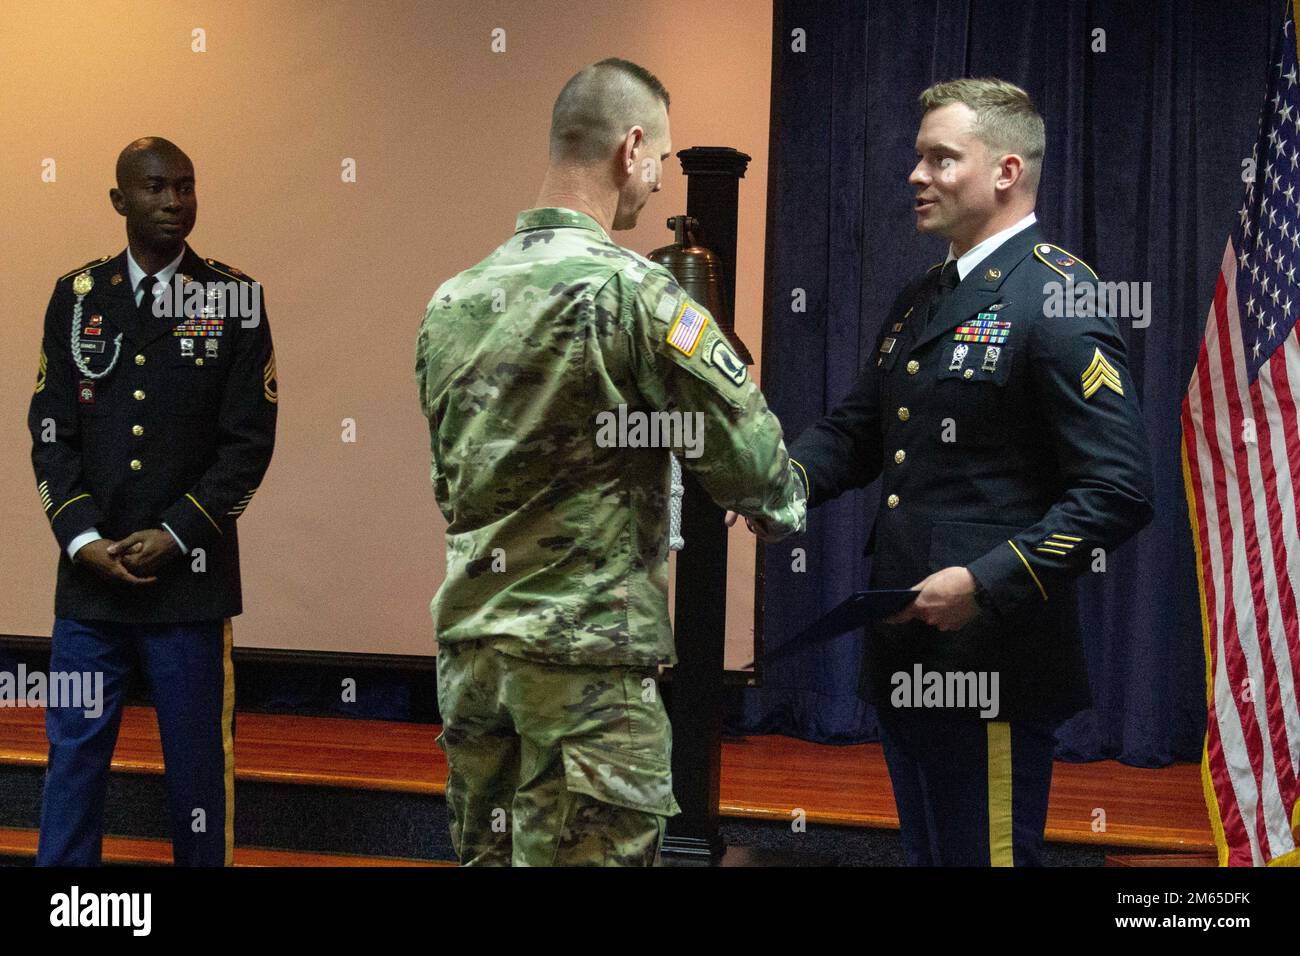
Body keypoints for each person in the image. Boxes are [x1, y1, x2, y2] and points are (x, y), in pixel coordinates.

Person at [734, 78, 1154, 865]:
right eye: (917, 157)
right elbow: (860, 431)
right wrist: (773, 483)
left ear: (1005, 170)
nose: (915, 175)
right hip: (904, 645)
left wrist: (985, 582)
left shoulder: (1057, 297)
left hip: (990, 656)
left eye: (940, 158)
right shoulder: (925, 296)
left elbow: (1120, 489)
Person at [416, 58, 805, 866]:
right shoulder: (638, 294)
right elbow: (752, 457)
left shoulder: (451, 302)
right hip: (586, 673)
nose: (659, 186)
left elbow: (451, 481)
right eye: (659, 161)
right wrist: (781, 506)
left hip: (475, 661)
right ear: (632, 148)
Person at [28, 137, 278, 866]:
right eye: (157, 188)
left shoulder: (234, 297)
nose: (174, 202)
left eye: (186, 187)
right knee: (73, 764)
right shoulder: (76, 298)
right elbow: (51, 432)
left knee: (198, 775)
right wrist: (81, 539)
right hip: (89, 588)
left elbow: (248, 444)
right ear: (119, 200)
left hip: (188, 589)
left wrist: (178, 533)